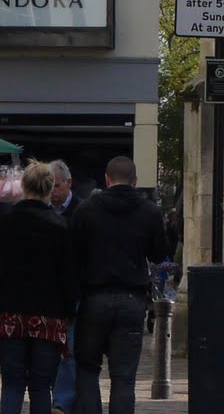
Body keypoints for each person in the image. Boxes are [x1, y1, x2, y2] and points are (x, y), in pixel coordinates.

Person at [71, 156, 166, 414]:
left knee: (88, 369)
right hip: (131, 299)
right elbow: (159, 254)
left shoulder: (86, 210)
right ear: (134, 181)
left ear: (106, 179)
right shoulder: (149, 212)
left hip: (94, 298)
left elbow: (73, 256)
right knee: (124, 376)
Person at [0, 159, 77, 414]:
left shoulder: (5, 222)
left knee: (12, 384)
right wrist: (68, 313)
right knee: (41, 386)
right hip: (48, 316)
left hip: (9, 313)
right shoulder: (60, 228)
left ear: (23, 185)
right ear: (48, 189)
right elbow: (68, 277)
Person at [48, 161, 79, 414]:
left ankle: (62, 401)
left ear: (68, 183)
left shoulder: (81, 212)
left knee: (68, 348)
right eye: (49, 187)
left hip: (71, 291)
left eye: (57, 186)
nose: (53, 192)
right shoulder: (43, 211)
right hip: (46, 293)